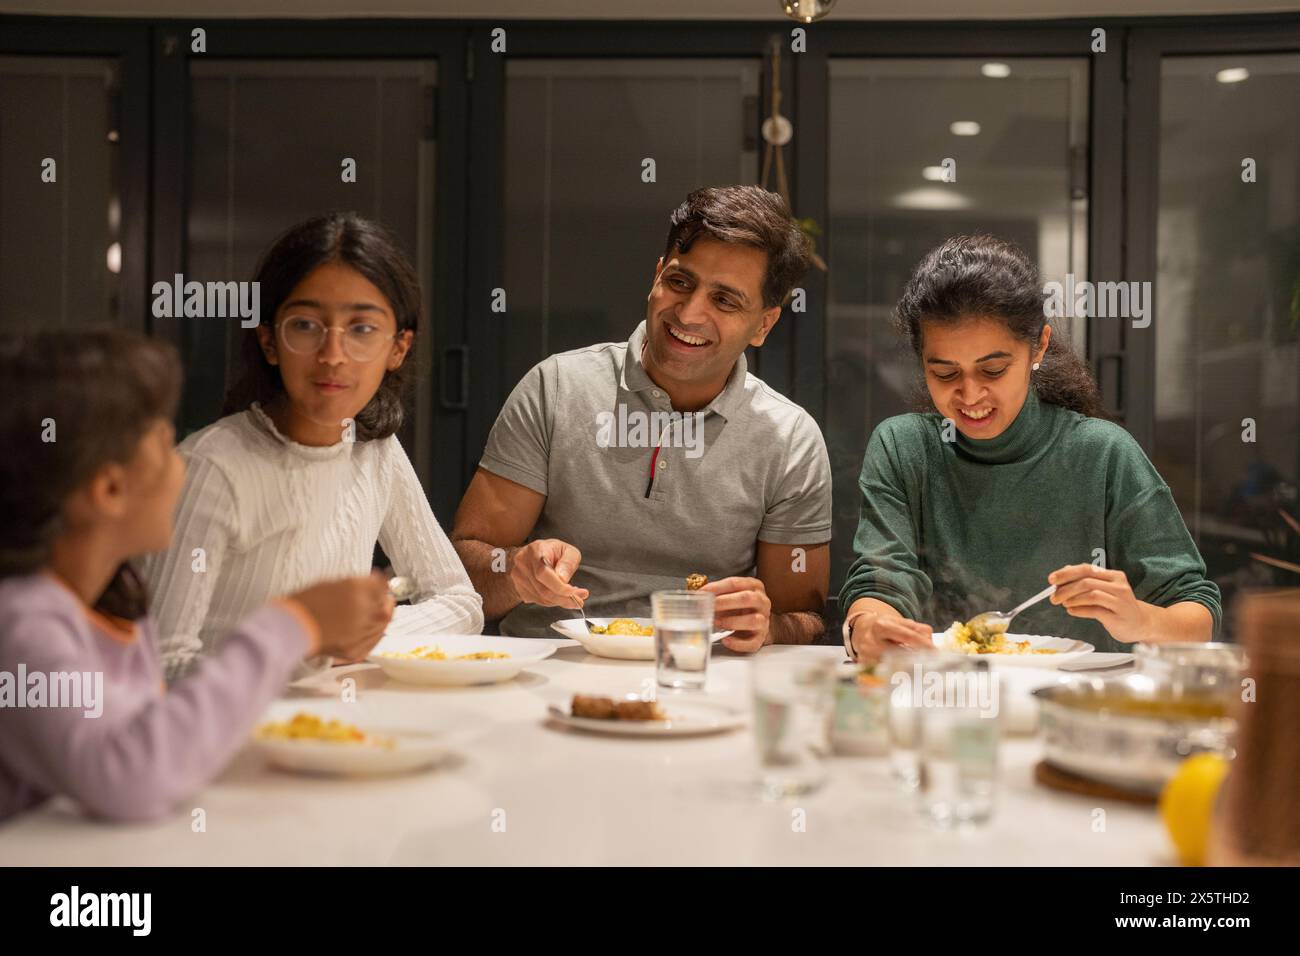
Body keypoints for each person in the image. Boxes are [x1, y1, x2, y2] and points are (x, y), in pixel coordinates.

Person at [0, 328, 391, 822]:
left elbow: (161, 737)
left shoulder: (115, 599)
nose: (183, 465)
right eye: (166, 444)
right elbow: (130, 775)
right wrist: (292, 623)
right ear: (111, 489)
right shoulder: (23, 625)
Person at [452, 186, 832, 651]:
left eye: (725, 301)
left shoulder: (790, 439)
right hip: (548, 666)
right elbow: (462, 571)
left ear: (763, 325)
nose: (690, 313)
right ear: (656, 276)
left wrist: (770, 626)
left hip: (703, 675)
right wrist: (514, 571)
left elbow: (808, 620)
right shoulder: (556, 387)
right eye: (680, 282)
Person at [840, 235, 1221, 661]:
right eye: (946, 373)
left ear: (1037, 345)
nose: (970, 394)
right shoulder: (904, 448)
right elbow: (880, 584)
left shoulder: (1104, 454)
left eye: (993, 369)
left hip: (1074, 701)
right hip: (945, 695)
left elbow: (1196, 612)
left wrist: (1139, 619)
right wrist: (866, 626)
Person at [143, 213, 482, 680]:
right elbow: (158, 671)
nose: (333, 354)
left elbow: (461, 602)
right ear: (269, 341)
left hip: (336, 730)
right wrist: (306, 640)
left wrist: (361, 636)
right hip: (232, 745)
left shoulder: (373, 451)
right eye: (305, 325)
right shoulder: (210, 467)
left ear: (398, 348)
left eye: (362, 329)